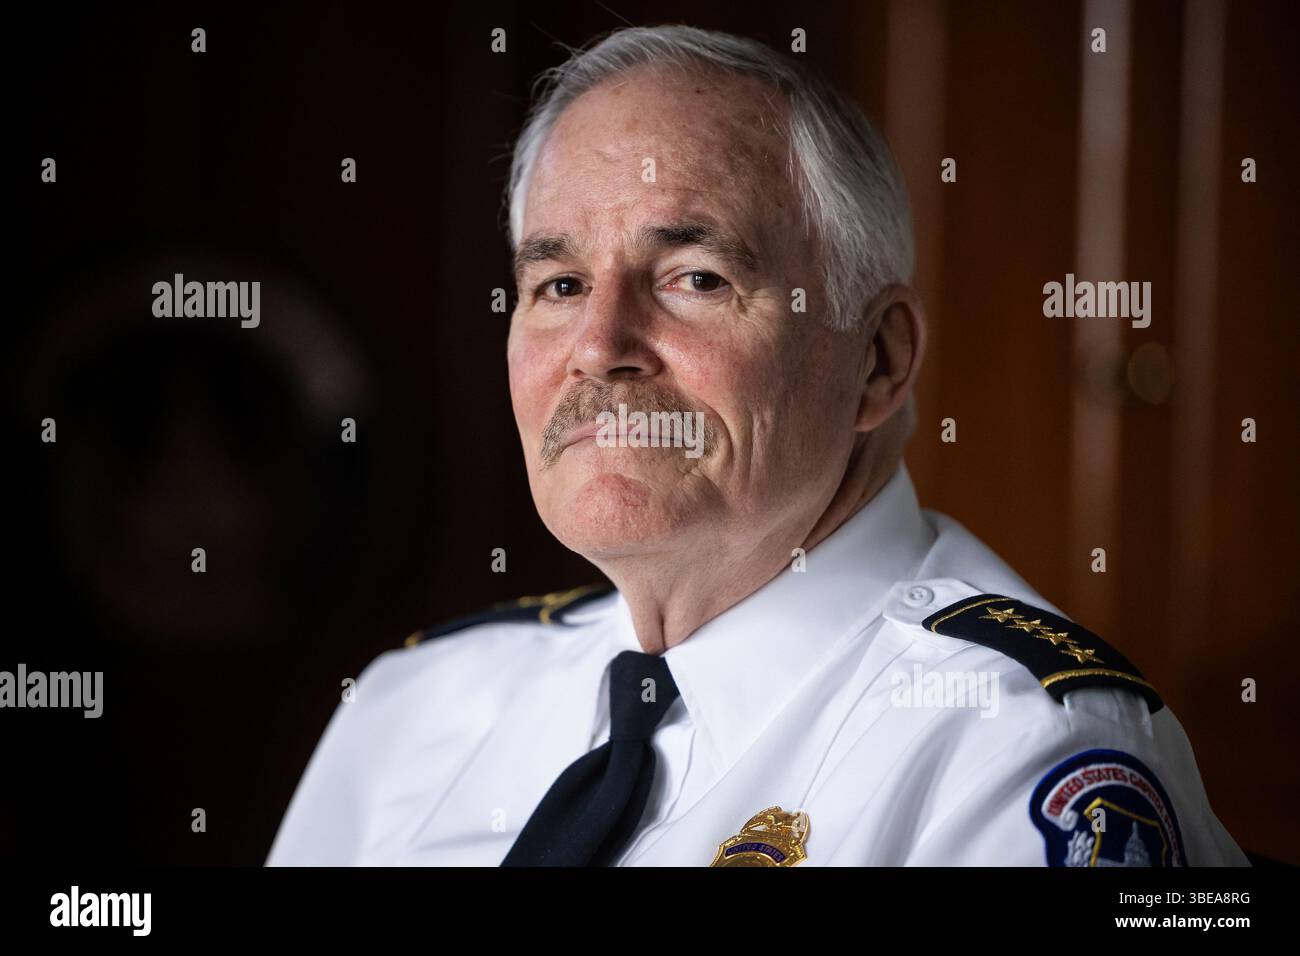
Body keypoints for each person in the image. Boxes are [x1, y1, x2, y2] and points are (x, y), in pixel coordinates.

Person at [266, 25, 1248, 867]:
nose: (599, 349)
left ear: (876, 358)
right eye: (559, 285)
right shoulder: (414, 709)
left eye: (693, 278)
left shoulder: (1012, 750)